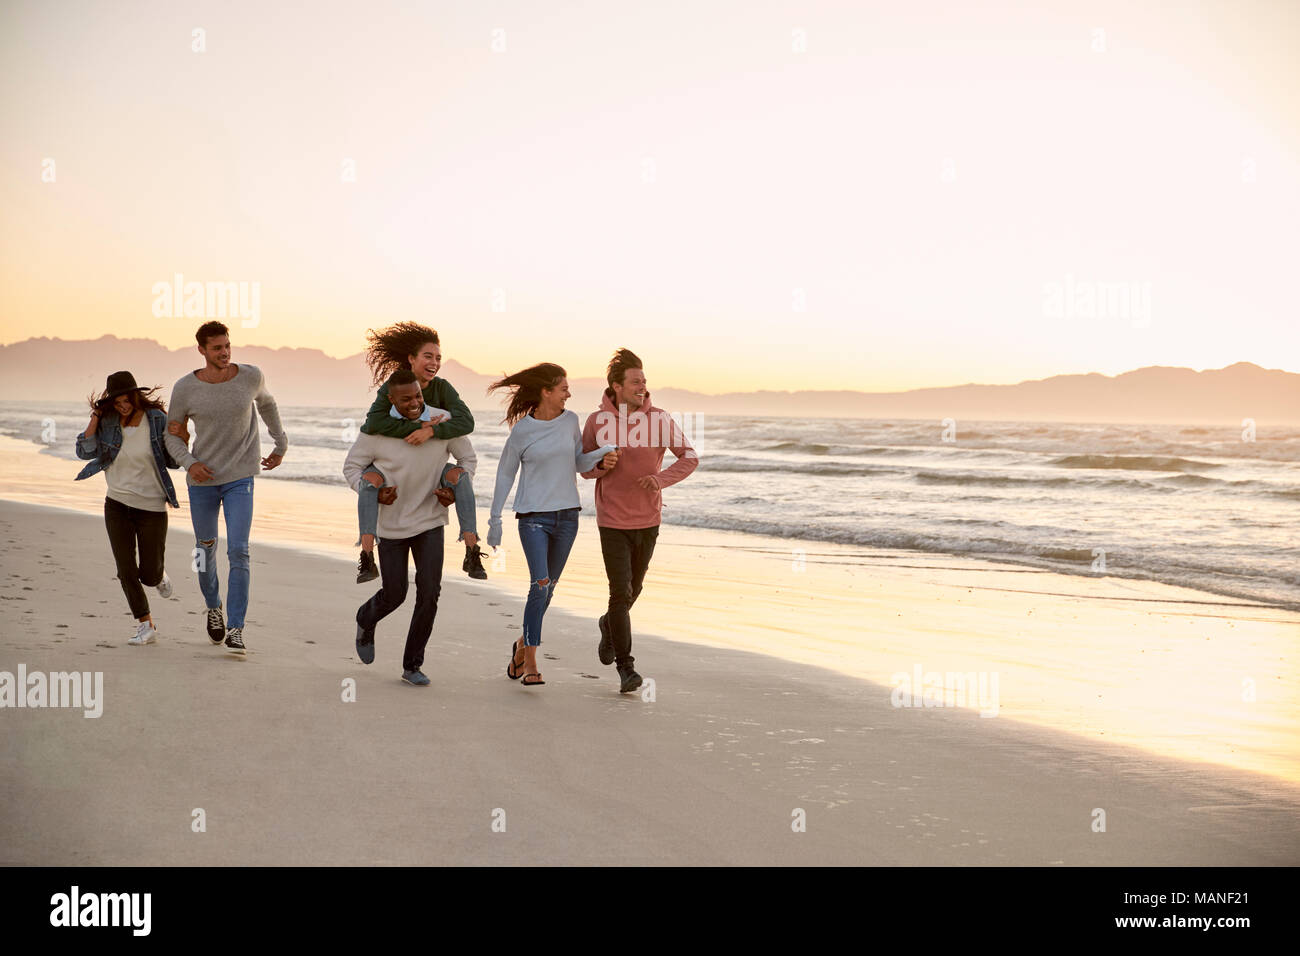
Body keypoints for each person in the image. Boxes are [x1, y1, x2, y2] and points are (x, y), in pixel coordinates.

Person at [487, 363, 617, 688]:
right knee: (540, 585)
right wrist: (494, 519)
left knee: (549, 589)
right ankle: (531, 661)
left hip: (568, 517)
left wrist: (602, 455)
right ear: (546, 391)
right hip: (533, 518)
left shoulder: (571, 421)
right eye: (563, 388)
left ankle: (521, 645)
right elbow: (505, 474)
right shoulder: (522, 431)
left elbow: (577, 461)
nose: (569, 393)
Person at [164, 321, 289, 656]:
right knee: (204, 551)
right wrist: (190, 463)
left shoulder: (250, 376)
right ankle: (213, 606)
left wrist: (280, 444)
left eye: (227, 346)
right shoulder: (186, 388)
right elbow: (171, 434)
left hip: (240, 477)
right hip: (203, 481)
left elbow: (267, 404)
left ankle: (236, 628)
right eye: (216, 348)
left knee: (239, 551)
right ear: (202, 350)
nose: (224, 353)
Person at [345, 369, 474, 686]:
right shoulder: (377, 431)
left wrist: (453, 489)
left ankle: (412, 664)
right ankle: (367, 616)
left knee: (430, 593)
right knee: (395, 593)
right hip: (391, 524)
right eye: (407, 399)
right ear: (391, 400)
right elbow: (352, 468)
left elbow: (467, 458)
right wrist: (375, 493)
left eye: (418, 395)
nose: (416, 403)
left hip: (430, 519)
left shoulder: (440, 420)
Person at [581, 349, 698, 693]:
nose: (642, 387)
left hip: (648, 518)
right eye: (635, 382)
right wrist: (601, 467)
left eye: (644, 381)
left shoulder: (660, 420)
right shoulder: (597, 421)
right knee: (620, 591)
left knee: (634, 590)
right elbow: (583, 466)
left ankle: (608, 625)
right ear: (616, 386)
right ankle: (626, 669)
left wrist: (660, 479)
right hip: (612, 518)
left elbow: (689, 457)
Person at [354, 322, 486, 583]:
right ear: (411, 359)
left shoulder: (442, 389)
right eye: (428, 356)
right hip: (397, 492)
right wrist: (413, 426)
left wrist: (431, 432)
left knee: (460, 475)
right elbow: (374, 423)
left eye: (438, 357)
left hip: (434, 477)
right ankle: (367, 556)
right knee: (369, 480)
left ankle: (472, 549)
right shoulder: (392, 387)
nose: (434, 362)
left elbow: (466, 423)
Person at [74, 371, 181, 645]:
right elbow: (85, 452)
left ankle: (158, 576)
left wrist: (184, 438)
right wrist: (95, 418)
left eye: (126, 400)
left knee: (148, 572)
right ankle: (146, 625)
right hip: (117, 504)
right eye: (116, 402)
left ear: (135, 396)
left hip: (152, 507)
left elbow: (173, 461)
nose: (122, 406)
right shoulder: (108, 421)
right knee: (125, 569)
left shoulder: (156, 419)